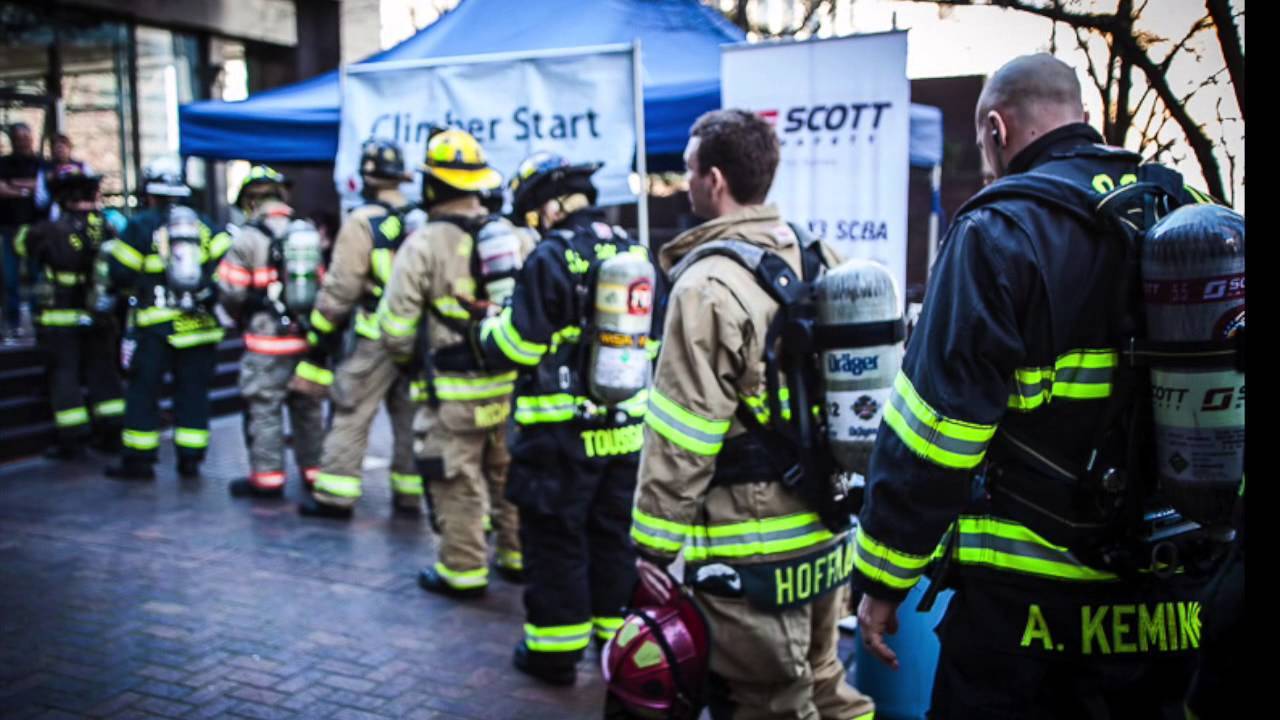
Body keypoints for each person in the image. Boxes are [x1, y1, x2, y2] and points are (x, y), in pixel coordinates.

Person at [853, 54, 1217, 717]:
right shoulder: (1187, 215)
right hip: (1172, 606)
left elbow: (935, 437)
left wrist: (882, 579)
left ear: (996, 129)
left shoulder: (999, 231)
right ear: (1081, 115)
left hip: (1025, 621)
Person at [630, 109, 875, 719]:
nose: (685, 183)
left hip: (754, 548)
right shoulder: (822, 259)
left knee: (774, 702)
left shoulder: (706, 286)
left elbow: (684, 434)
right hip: (826, 530)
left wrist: (653, 549)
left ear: (714, 180)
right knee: (827, 681)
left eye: (688, 171)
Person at [471, 152, 655, 685]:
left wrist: (483, 335)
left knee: (556, 540)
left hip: (559, 437)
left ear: (548, 206)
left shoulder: (553, 255)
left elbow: (518, 345)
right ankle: (613, 642)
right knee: (612, 537)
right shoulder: (632, 250)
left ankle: (553, 654)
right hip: (622, 435)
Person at [379, 128, 523, 598]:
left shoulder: (423, 243)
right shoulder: (509, 235)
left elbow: (395, 326)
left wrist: (406, 362)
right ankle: (517, 556)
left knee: (455, 479)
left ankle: (462, 571)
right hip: (506, 387)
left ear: (434, 186)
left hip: (450, 393)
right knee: (506, 475)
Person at [295, 138, 424, 517]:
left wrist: (319, 333)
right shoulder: (419, 219)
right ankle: (409, 495)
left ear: (366, 178)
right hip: (415, 335)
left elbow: (341, 287)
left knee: (351, 411)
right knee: (409, 416)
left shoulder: (363, 221)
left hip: (374, 336)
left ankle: (336, 495)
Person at [104, 160, 231, 480]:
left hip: (155, 328)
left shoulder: (141, 226)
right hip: (200, 328)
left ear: (150, 194)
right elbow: (227, 267)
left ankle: (139, 461)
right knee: (193, 393)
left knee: (143, 393)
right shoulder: (204, 224)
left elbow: (119, 274)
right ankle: (190, 459)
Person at [218, 166, 325, 497]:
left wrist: (247, 308)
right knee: (307, 410)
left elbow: (230, 289)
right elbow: (321, 284)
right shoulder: (305, 232)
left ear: (250, 201)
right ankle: (313, 472)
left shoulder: (246, 238)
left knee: (265, 410)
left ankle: (268, 479)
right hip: (303, 340)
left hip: (265, 344)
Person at [19, 166, 124, 458]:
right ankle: (112, 431)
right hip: (100, 314)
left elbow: (22, 246)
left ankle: (73, 438)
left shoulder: (49, 230)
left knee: (64, 374)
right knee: (103, 371)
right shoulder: (107, 226)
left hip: (60, 315)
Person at [0, 123, 41, 339]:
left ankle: (37, 319)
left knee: (37, 277)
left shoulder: (40, 163)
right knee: (10, 279)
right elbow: (1, 189)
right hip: (9, 228)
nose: (24, 141)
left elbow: (43, 186)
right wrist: (28, 188)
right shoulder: (4, 163)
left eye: (27, 136)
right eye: (19, 137)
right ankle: (13, 324)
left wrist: (15, 186)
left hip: (35, 229)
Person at [35, 134, 92, 222]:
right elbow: (40, 200)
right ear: (52, 150)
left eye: (64, 147)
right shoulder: (45, 171)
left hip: (81, 208)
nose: (61, 150)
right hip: (56, 211)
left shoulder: (82, 167)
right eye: (57, 148)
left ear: (69, 148)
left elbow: (92, 187)